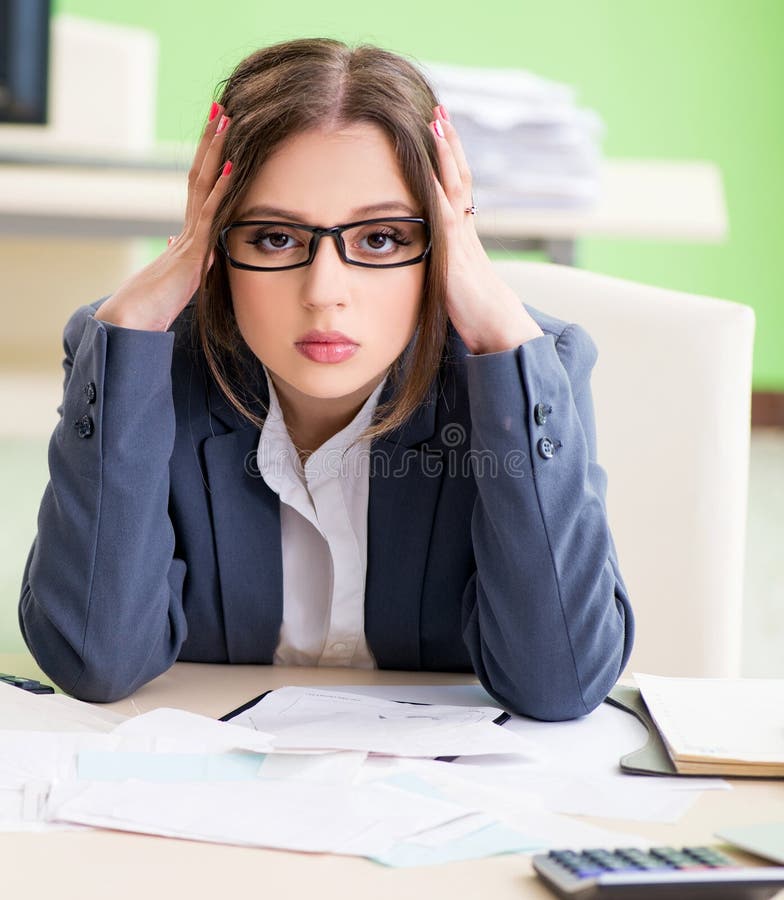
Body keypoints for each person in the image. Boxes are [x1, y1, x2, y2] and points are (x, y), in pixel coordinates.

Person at [18, 38, 633, 718]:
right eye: (275, 237)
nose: (324, 293)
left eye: (381, 238)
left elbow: (558, 683)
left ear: (441, 245)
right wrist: (128, 335)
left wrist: (503, 348)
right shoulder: (142, 359)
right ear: (215, 237)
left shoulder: (524, 368)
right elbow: (95, 662)